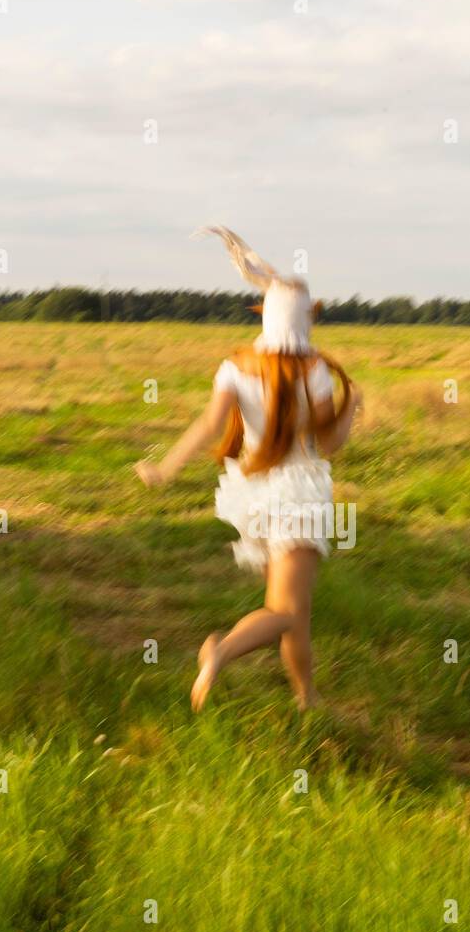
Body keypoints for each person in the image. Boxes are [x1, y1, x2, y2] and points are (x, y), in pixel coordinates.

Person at [135, 226, 362, 711]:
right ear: (306, 324)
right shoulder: (314, 371)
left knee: (295, 614)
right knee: (284, 610)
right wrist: (353, 405)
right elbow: (331, 443)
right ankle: (222, 651)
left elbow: (208, 425)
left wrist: (165, 469)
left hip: (255, 493)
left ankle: (307, 699)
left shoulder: (235, 367)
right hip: (299, 496)